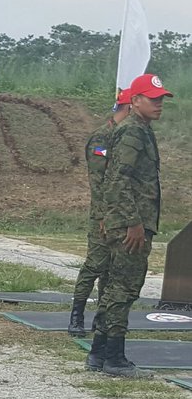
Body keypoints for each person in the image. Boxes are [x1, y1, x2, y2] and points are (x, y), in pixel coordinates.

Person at [91, 72, 169, 378]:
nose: (159, 104)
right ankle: (115, 358)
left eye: (161, 99)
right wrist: (133, 223)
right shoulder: (133, 132)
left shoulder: (139, 129)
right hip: (130, 224)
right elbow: (116, 181)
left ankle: (99, 353)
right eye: (152, 98)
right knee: (124, 288)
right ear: (135, 101)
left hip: (126, 220)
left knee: (114, 287)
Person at [69, 88, 131, 340]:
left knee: (112, 269)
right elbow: (99, 181)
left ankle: (102, 317)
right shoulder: (102, 138)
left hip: (119, 213)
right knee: (94, 265)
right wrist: (105, 214)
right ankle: (77, 315)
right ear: (127, 108)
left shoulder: (123, 136)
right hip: (103, 214)